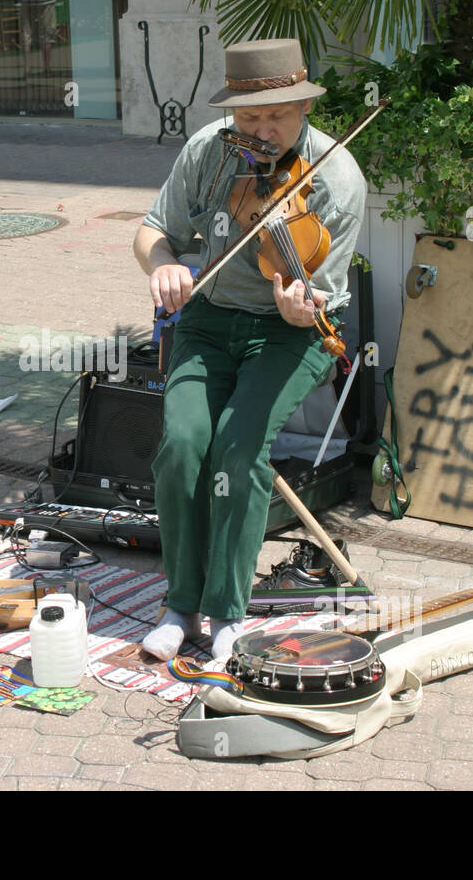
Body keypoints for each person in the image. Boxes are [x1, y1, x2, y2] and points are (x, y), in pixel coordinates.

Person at [132, 38, 367, 663]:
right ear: (233, 111)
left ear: (303, 107)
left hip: (293, 331)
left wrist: (300, 302)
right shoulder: (208, 151)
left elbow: (319, 295)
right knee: (183, 444)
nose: (263, 131)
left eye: (278, 116)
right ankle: (179, 606)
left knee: (239, 448)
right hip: (209, 320)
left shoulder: (337, 177)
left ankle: (227, 614)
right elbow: (153, 231)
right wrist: (162, 267)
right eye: (250, 118)